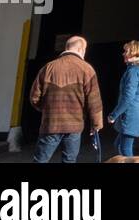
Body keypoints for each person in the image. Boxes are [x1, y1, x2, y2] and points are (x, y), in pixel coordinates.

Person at [29, 35, 103, 163]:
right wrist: (96, 124)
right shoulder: (87, 69)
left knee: (40, 160)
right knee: (69, 160)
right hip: (74, 125)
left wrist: (48, 110)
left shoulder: (48, 68)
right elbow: (94, 101)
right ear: (81, 49)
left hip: (51, 124)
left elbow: (34, 97)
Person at [107, 40, 139, 159]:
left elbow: (128, 96)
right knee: (119, 145)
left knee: (124, 149)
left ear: (133, 53)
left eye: (126, 51)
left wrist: (113, 115)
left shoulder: (133, 71)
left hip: (131, 113)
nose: (123, 54)